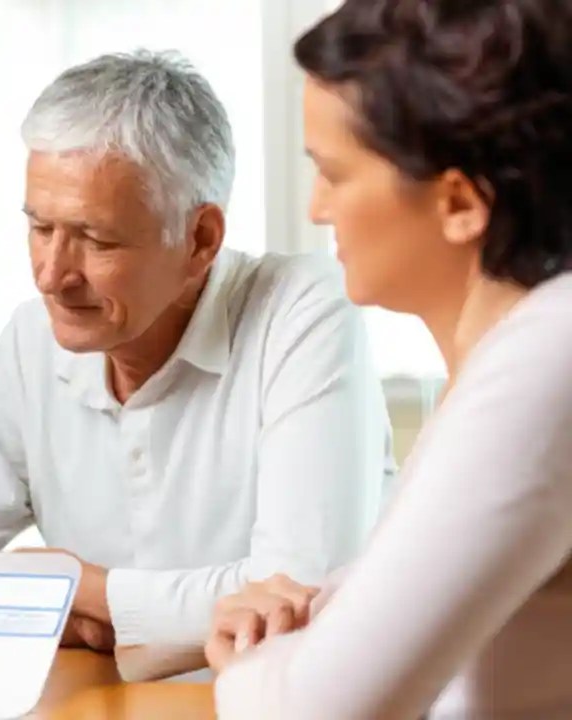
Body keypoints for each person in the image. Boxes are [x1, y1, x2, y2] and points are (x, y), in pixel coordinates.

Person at [0, 50, 394, 681]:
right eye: (40, 228)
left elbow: (302, 596)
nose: (52, 275)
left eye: (97, 241)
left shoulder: (303, 310)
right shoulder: (31, 340)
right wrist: (47, 601)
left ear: (201, 240)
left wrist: (80, 587)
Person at [207, 1, 572, 717]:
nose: (317, 209)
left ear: (460, 201)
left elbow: (320, 710)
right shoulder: (505, 362)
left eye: (335, 174)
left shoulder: (543, 359)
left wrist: (255, 664)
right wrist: (312, 617)